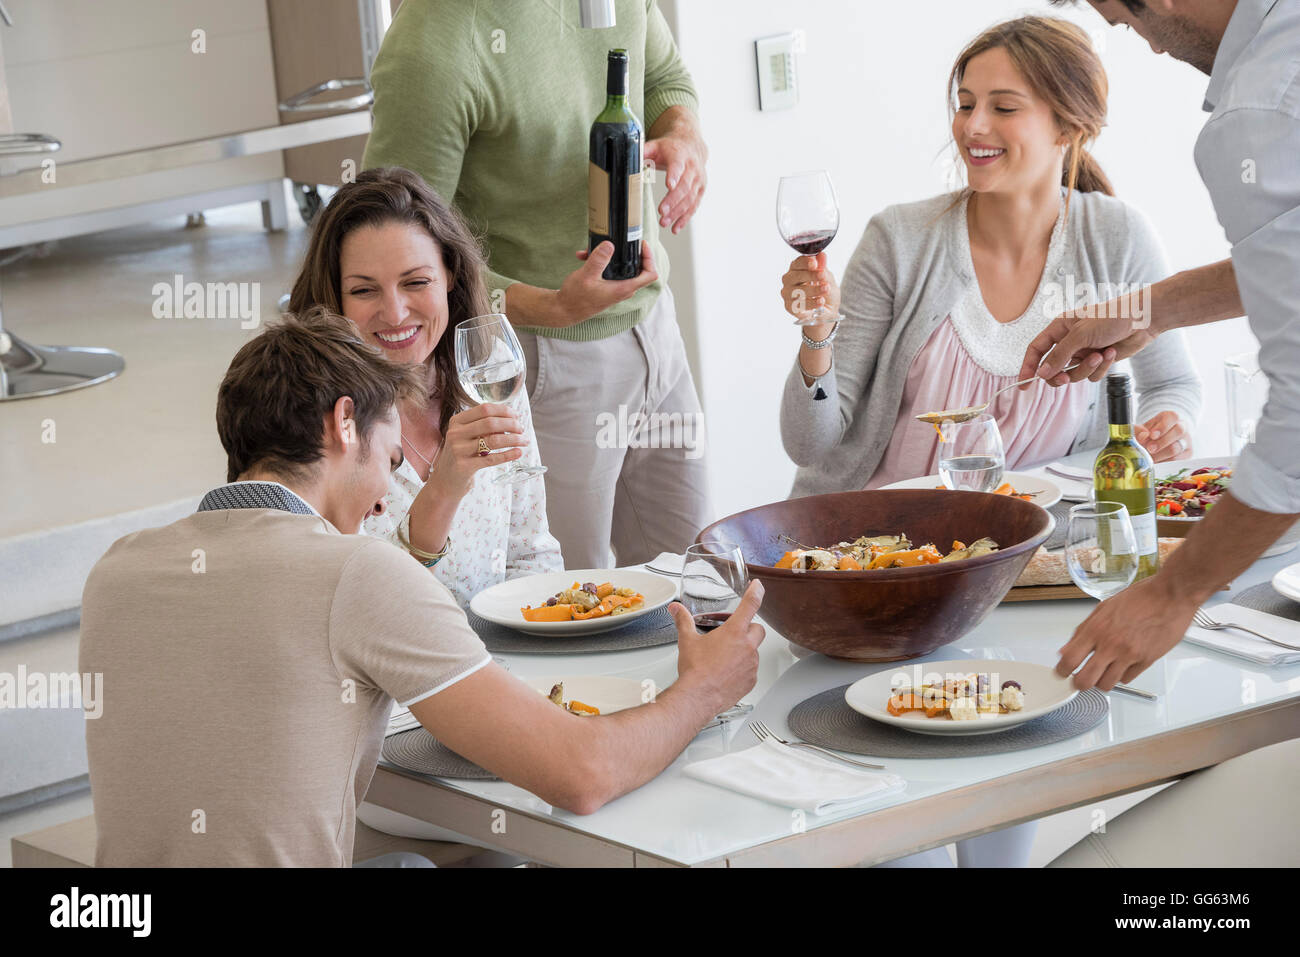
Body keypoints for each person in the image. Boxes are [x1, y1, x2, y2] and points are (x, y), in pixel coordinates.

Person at [78, 308, 764, 867]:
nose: (382, 501)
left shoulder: (117, 569)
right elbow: (581, 774)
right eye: (389, 457)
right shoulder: (355, 575)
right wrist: (706, 687)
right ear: (344, 423)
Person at [780, 17, 1201, 505]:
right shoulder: (898, 240)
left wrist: (1169, 425)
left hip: (1044, 543)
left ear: (1068, 125)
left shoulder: (1117, 237)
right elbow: (807, 444)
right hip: (879, 540)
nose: (973, 125)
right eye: (965, 105)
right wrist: (817, 332)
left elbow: (1173, 384)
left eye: (1003, 107)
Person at [362, 0, 713, 569]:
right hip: (543, 359)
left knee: (696, 578)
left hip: (655, 332)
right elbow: (396, 244)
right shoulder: (434, 42)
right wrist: (551, 307)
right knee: (573, 600)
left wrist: (684, 134)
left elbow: (664, 79)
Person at [1023, 0, 1300, 691]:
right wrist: (1149, 311)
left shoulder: (1259, 115)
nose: (1149, 46)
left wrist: (1173, 592)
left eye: (1127, 20)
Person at [288, 167, 563, 609]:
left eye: (416, 282)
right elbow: (345, 608)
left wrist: (549, 647)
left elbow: (531, 551)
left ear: (450, 275)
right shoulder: (306, 415)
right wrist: (442, 491)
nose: (395, 313)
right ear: (334, 297)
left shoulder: (488, 369)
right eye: (364, 291)